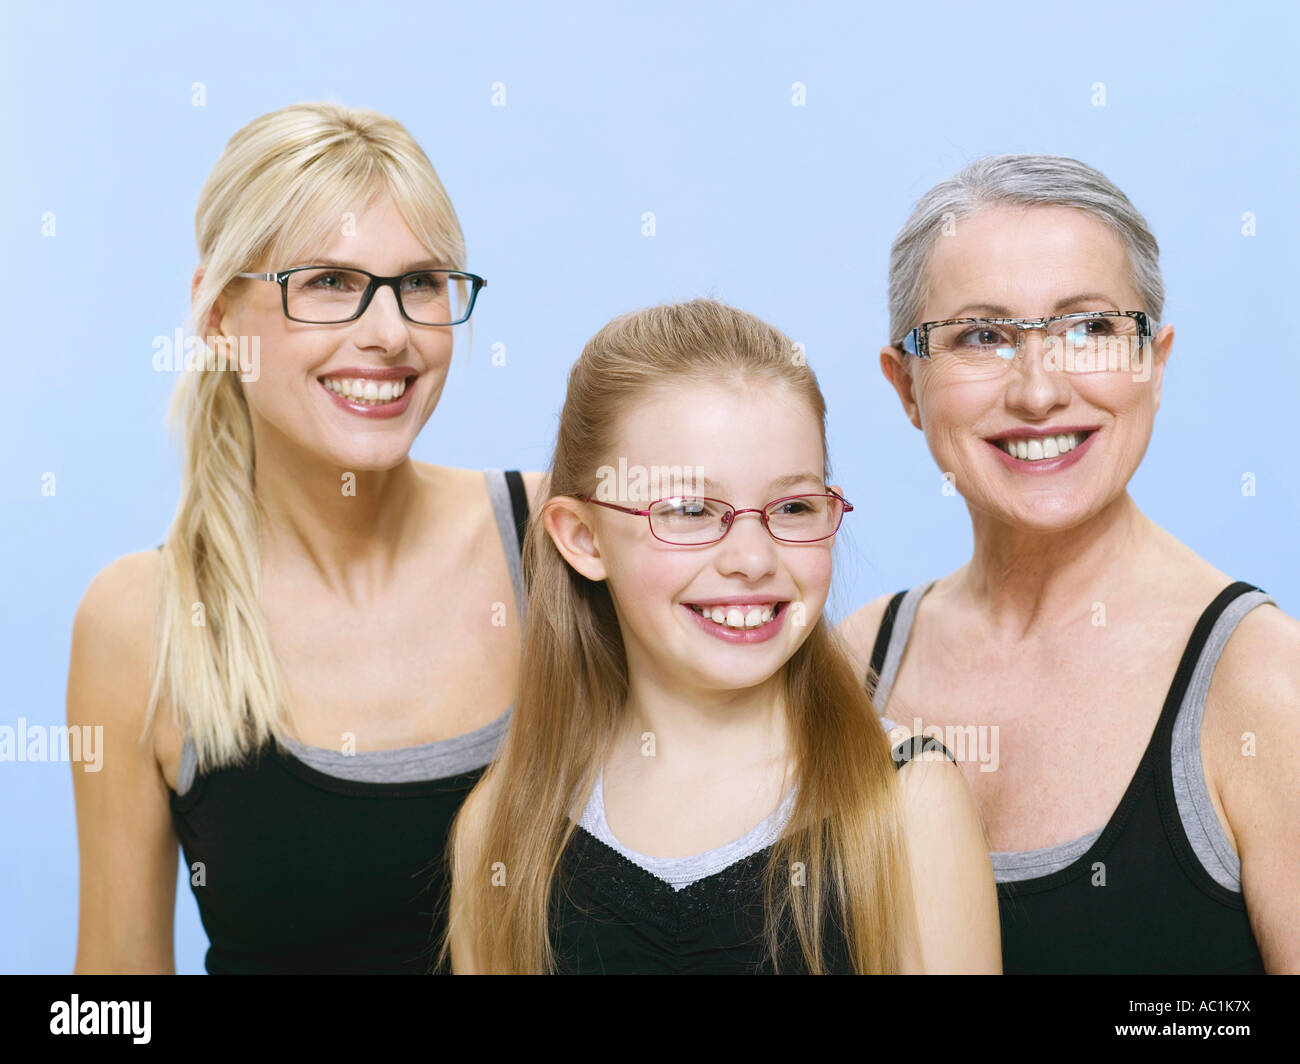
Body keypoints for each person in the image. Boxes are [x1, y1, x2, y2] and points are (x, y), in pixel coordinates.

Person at [67, 101, 543, 974]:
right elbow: (111, 990)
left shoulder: (555, 546)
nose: (389, 334)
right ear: (217, 316)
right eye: (327, 282)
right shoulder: (139, 623)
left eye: (422, 283)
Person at [839, 153, 1300, 974]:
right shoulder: (853, 666)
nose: (1039, 392)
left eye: (1088, 327)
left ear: (1153, 364)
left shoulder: (1267, 688)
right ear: (906, 385)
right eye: (982, 336)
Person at [446, 299, 1000, 974]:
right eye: (688, 510)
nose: (752, 557)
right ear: (583, 538)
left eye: (792, 507)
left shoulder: (908, 805)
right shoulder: (503, 829)